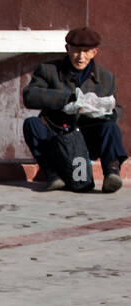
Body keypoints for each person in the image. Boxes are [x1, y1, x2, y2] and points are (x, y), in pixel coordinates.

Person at [23, 26, 125, 193]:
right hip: (57, 133)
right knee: (32, 124)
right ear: (67, 49)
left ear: (94, 53)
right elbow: (30, 95)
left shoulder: (106, 77)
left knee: (111, 128)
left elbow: (117, 108)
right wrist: (66, 99)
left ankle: (112, 173)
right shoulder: (48, 70)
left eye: (86, 51)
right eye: (76, 51)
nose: (80, 57)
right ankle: (53, 174)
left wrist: (106, 111)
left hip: (86, 136)